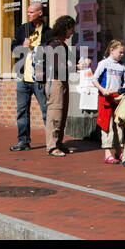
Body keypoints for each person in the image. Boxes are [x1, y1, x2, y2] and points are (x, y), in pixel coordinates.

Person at [10, 0, 51, 151]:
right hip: (23, 77)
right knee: (22, 111)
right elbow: (13, 48)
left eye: (31, 12)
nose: (28, 15)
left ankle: (52, 141)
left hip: (39, 77)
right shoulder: (23, 29)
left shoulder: (48, 32)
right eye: (27, 12)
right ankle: (23, 141)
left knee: (46, 110)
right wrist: (22, 46)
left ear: (40, 13)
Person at [91, 40, 125, 164]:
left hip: (118, 98)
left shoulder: (122, 67)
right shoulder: (104, 64)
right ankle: (107, 153)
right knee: (106, 125)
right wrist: (103, 90)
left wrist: (122, 95)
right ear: (112, 50)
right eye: (120, 52)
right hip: (105, 97)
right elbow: (94, 79)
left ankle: (119, 151)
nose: (121, 55)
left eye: (123, 53)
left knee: (119, 125)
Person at [44, 15, 76, 157]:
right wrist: (77, 67)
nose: (72, 32)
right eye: (71, 29)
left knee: (62, 115)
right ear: (65, 29)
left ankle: (58, 142)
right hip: (55, 82)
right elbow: (57, 67)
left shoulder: (63, 45)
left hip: (63, 81)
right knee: (55, 114)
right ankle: (51, 146)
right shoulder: (54, 45)